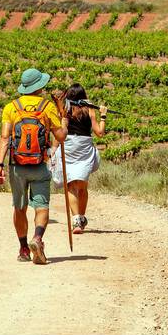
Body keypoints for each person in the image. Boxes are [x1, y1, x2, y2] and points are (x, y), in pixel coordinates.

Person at [0, 68, 66, 264]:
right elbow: (61, 136)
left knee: (20, 208)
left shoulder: (11, 107)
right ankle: (37, 238)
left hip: (17, 166)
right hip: (39, 165)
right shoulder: (47, 106)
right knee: (41, 206)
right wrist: (63, 116)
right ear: (40, 86)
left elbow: (4, 138)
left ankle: (24, 249)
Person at [49, 83, 106, 234]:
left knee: (71, 185)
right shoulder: (90, 109)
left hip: (69, 147)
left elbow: (62, 132)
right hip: (84, 148)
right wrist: (104, 116)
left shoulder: (66, 109)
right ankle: (80, 218)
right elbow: (99, 132)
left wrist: (53, 150)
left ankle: (76, 220)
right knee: (82, 186)